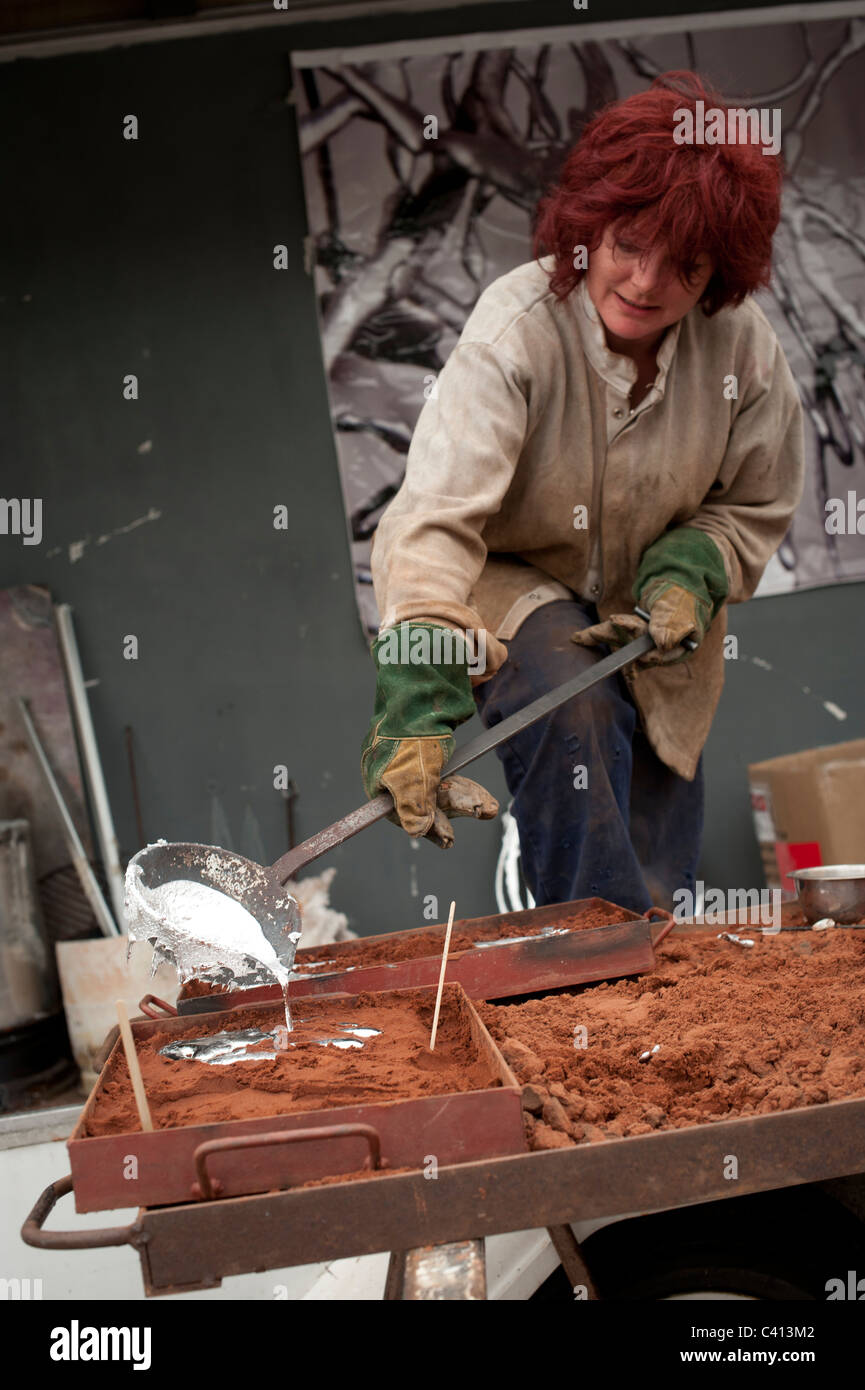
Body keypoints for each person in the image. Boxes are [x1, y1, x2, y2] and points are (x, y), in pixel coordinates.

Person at [360, 70, 804, 914]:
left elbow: (754, 500)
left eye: (683, 266)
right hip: (508, 573)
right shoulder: (515, 329)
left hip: (651, 608)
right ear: (588, 228)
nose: (643, 283)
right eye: (627, 246)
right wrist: (417, 691)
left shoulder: (741, 345)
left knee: (655, 824)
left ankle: (652, 997)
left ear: (718, 272)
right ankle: (596, 971)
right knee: (571, 701)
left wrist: (691, 567)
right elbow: (433, 520)